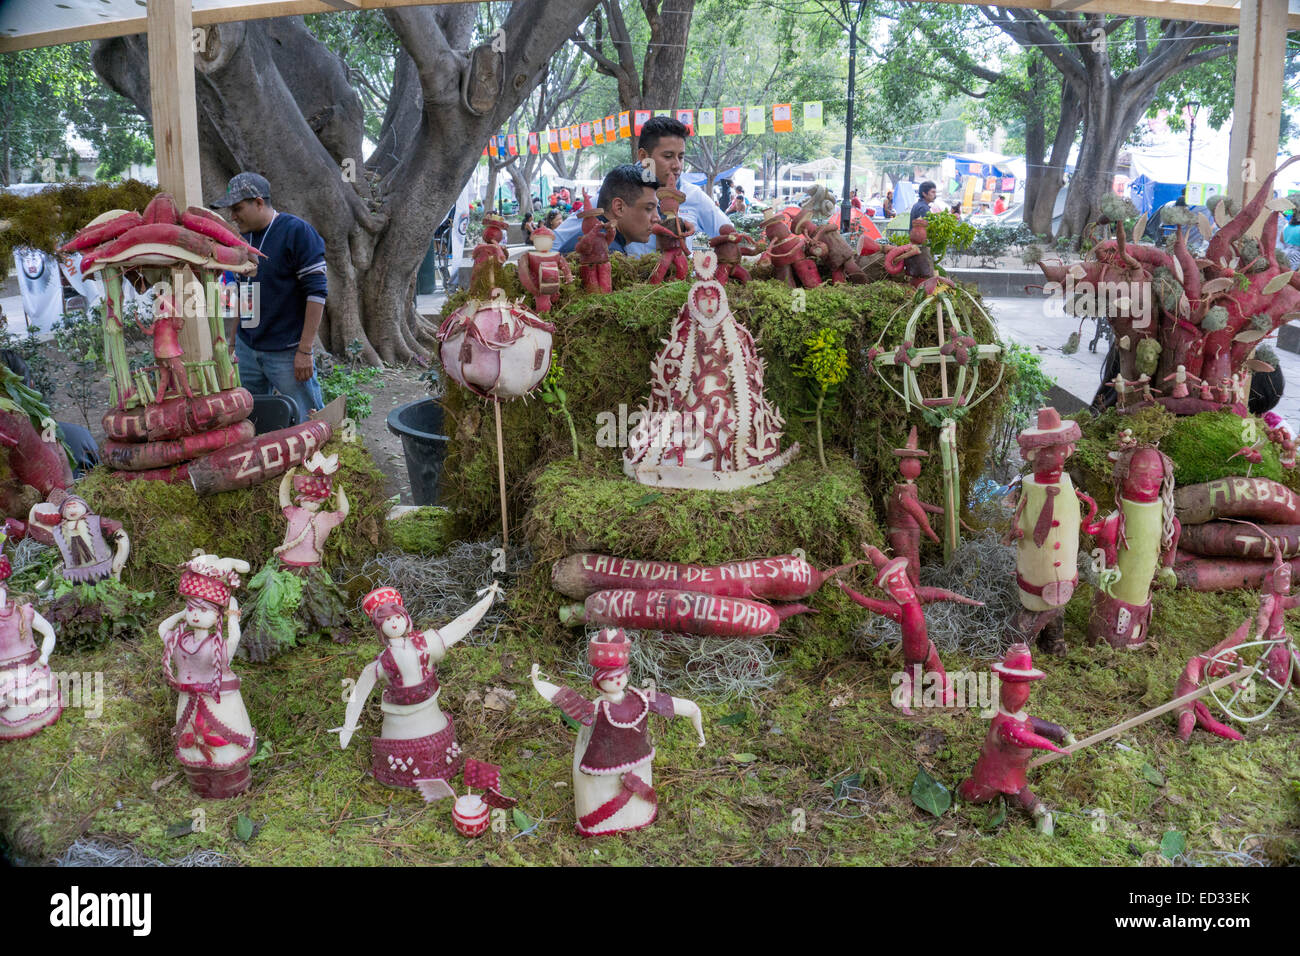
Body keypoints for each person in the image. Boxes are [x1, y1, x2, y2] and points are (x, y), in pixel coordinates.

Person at [212, 172, 326, 423]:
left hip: (287, 352)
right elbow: (244, 293)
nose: (232, 216)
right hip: (248, 350)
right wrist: (233, 345)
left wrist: (305, 351)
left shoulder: (297, 232)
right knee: (253, 418)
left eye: (238, 208)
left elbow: (316, 294)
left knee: (311, 419)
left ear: (259, 202)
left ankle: (322, 462)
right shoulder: (242, 240)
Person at [553, 116, 730, 256]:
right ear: (644, 156)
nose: (677, 165)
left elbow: (729, 236)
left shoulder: (693, 196)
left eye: (681, 157)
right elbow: (556, 242)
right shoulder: (617, 193)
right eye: (668, 156)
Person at [558, 164, 661, 255]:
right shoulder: (604, 251)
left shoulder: (598, 240)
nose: (657, 218)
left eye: (657, 208)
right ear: (619, 208)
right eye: (649, 208)